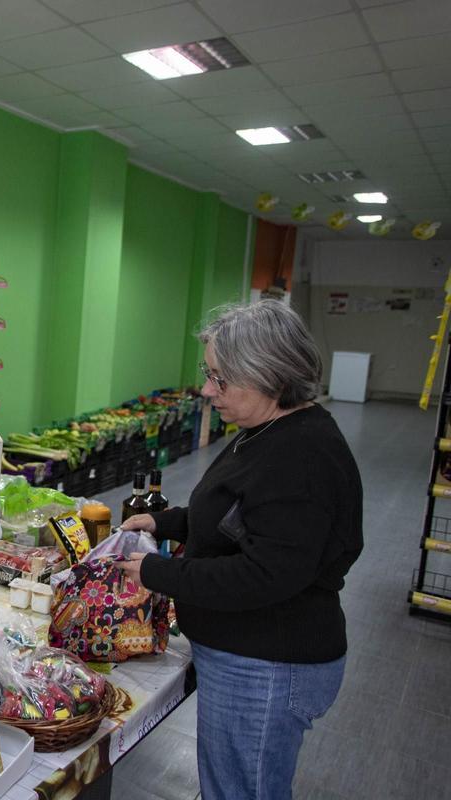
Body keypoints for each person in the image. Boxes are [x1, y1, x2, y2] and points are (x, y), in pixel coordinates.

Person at [117, 300, 363, 800]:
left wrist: (158, 572)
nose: (208, 391)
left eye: (221, 379)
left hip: (267, 665)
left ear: (270, 375)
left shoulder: (301, 457)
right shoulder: (269, 429)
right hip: (250, 654)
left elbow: (265, 574)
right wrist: (167, 520)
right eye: (208, 374)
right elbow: (236, 517)